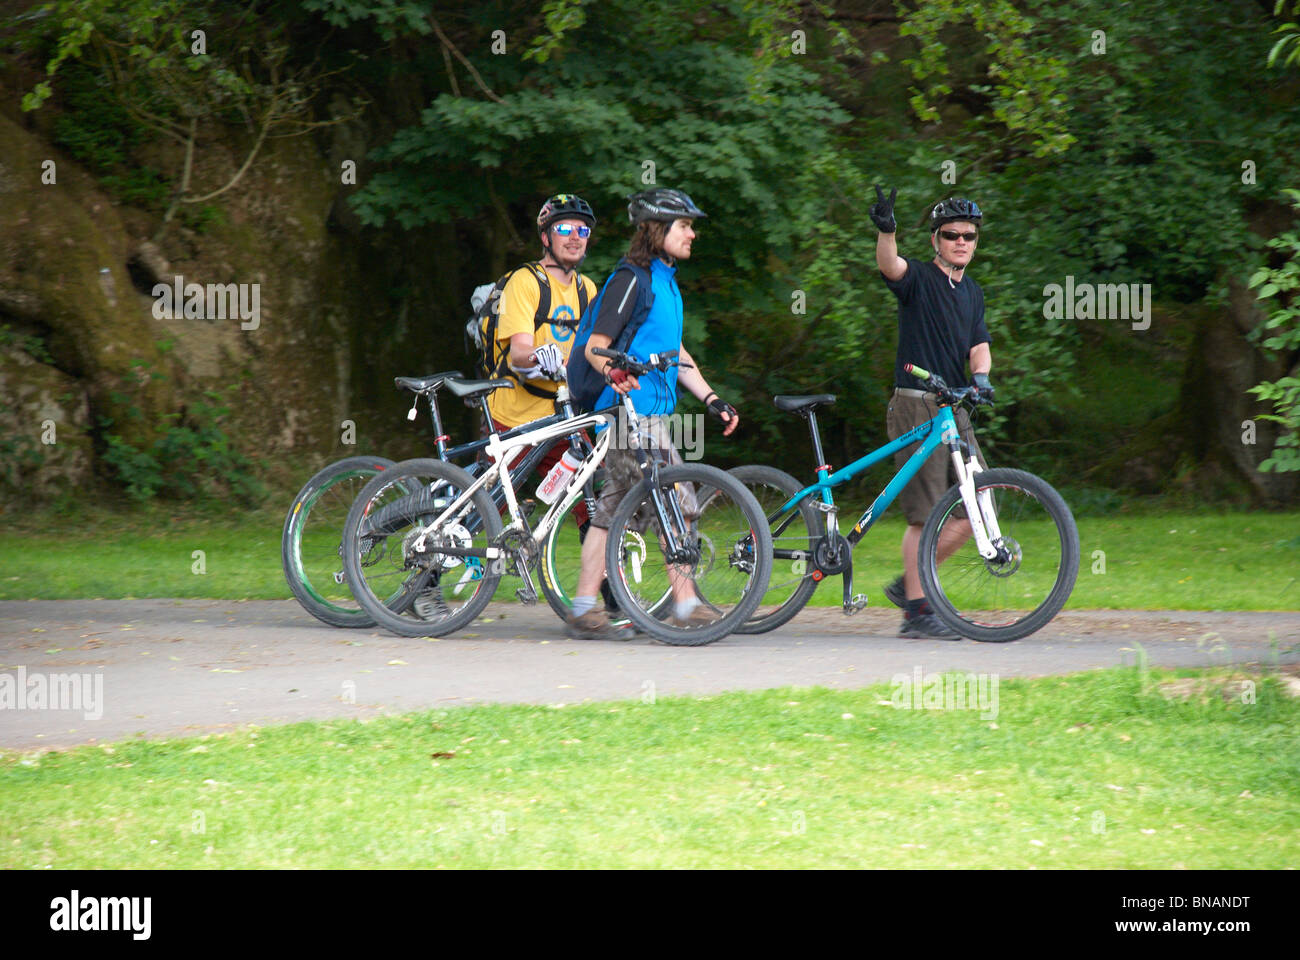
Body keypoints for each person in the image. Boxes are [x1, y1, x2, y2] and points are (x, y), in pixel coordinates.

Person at [565, 188, 739, 641]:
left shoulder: (665, 281)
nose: (693, 233)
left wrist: (711, 398)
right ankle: (684, 604)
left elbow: (673, 351)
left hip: (650, 414)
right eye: (684, 225)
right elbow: (596, 343)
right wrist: (614, 372)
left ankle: (586, 606)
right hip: (626, 412)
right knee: (677, 499)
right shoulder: (632, 279)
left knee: (616, 507)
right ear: (658, 229)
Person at [870, 187, 995, 641]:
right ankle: (917, 613)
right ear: (935, 240)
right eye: (951, 234)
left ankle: (910, 585)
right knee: (923, 516)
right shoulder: (919, 278)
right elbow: (890, 265)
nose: (962, 241)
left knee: (976, 508)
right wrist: (887, 230)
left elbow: (978, 348)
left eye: (969, 235)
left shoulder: (973, 293)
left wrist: (980, 379)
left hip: (954, 404)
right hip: (915, 404)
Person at [488, 193, 599, 520]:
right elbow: (518, 354)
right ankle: (436, 562)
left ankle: (599, 572)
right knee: (488, 507)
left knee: (593, 499)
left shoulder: (588, 290)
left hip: (562, 416)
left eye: (583, 231)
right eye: (565, 228)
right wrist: (538, 357)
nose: (575, 237)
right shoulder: (524, 282)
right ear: (545, 237)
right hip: (514, 415)